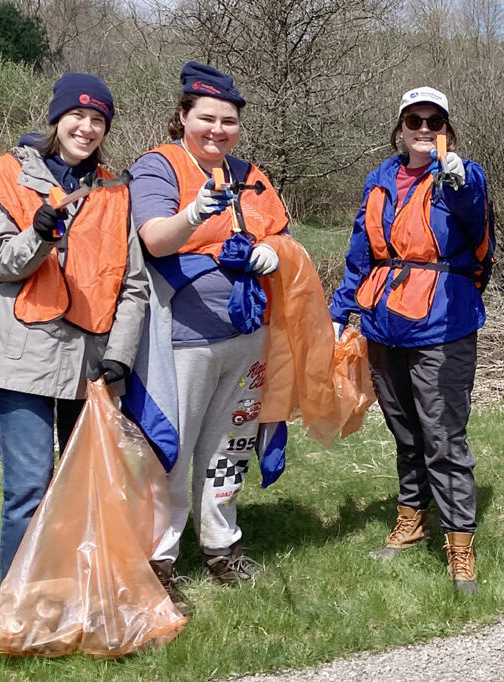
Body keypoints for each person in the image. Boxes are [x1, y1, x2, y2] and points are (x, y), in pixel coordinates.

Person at [0, 73, 148, 581]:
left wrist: (120, 356)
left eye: (98, 120)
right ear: (56, 119)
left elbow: (132, 285)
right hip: (19, 357)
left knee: (82, 485)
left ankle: (74, 591)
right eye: (78, 116)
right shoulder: (6, 176)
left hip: (89, 363)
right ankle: (20, 602)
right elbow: (2, 265)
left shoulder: (115, 190)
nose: (87, 128)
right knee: (28, 486)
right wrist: (40, 232)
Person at [125, 62, 291, 608]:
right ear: (183, 117)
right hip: (184, 337)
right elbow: (153, 239)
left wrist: (276, 251)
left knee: (229, 447)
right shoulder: (159, 167)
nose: (218, 130)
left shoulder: (252, 173)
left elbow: (284, 237)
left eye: (228, 121)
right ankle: (160, 557)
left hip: (247, 335)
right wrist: (193, 215)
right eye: (206, 119)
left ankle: (221, 545)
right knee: (171, 451)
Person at [329, 87, 493, 593]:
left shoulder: (463, 176)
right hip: (384, 323)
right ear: (399, 128)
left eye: (434, 121)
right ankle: (412, 521)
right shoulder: (379, 179)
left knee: (443, 435)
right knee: (405, 432)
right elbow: (362, 248)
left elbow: (474, 213)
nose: (424, 129)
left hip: (443, 323)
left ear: (447, 129)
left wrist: (458, 180)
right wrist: (341, 310)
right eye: (414, 121)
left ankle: (459, 542)